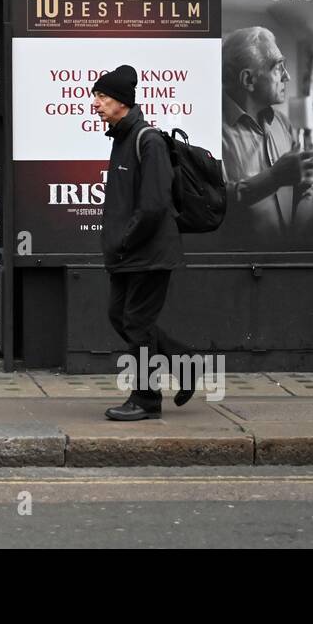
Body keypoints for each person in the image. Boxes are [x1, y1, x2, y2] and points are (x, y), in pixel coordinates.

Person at [93, 65, 195, 421]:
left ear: (122, 102)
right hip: (127, 252)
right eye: (97, 96)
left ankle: (146, 399)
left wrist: (124, 240)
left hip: (148, 252)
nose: (96, 103)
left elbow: (153, 206)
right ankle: (186, 365)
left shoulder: (147, 140)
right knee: (119, 316)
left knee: (135, 322)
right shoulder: (122, 138)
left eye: (103, 97)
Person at [221, 27, 313, 246]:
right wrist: (274, 177)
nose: (287, 76)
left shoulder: (283, 123)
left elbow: (294, 189)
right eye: (278, 68)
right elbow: (210, 205)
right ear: (248, 79)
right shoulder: (210, 133)